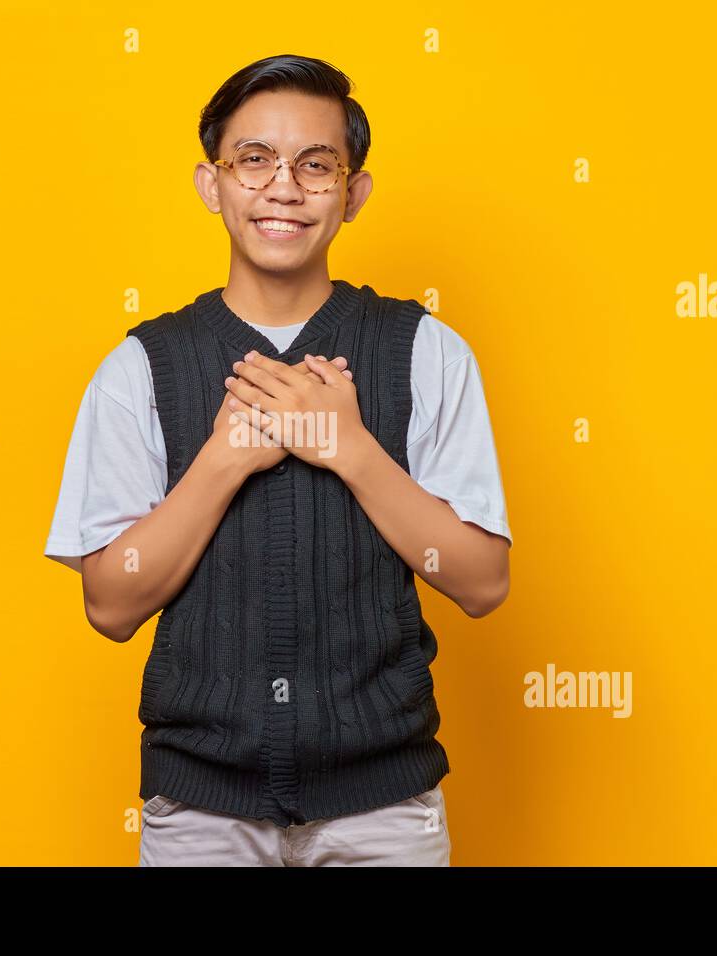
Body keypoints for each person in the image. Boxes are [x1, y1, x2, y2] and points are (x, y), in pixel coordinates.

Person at [44, 53, 512, 866]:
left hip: (386, 806)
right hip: (199, 809)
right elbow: (110, 605)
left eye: (315, 164)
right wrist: (225, 459)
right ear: (211, 184)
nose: (283, 187)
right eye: (253, 160)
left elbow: (482, 582)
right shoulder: (140, 368)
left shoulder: (426, 352)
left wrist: (351, 449)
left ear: (354, 193)